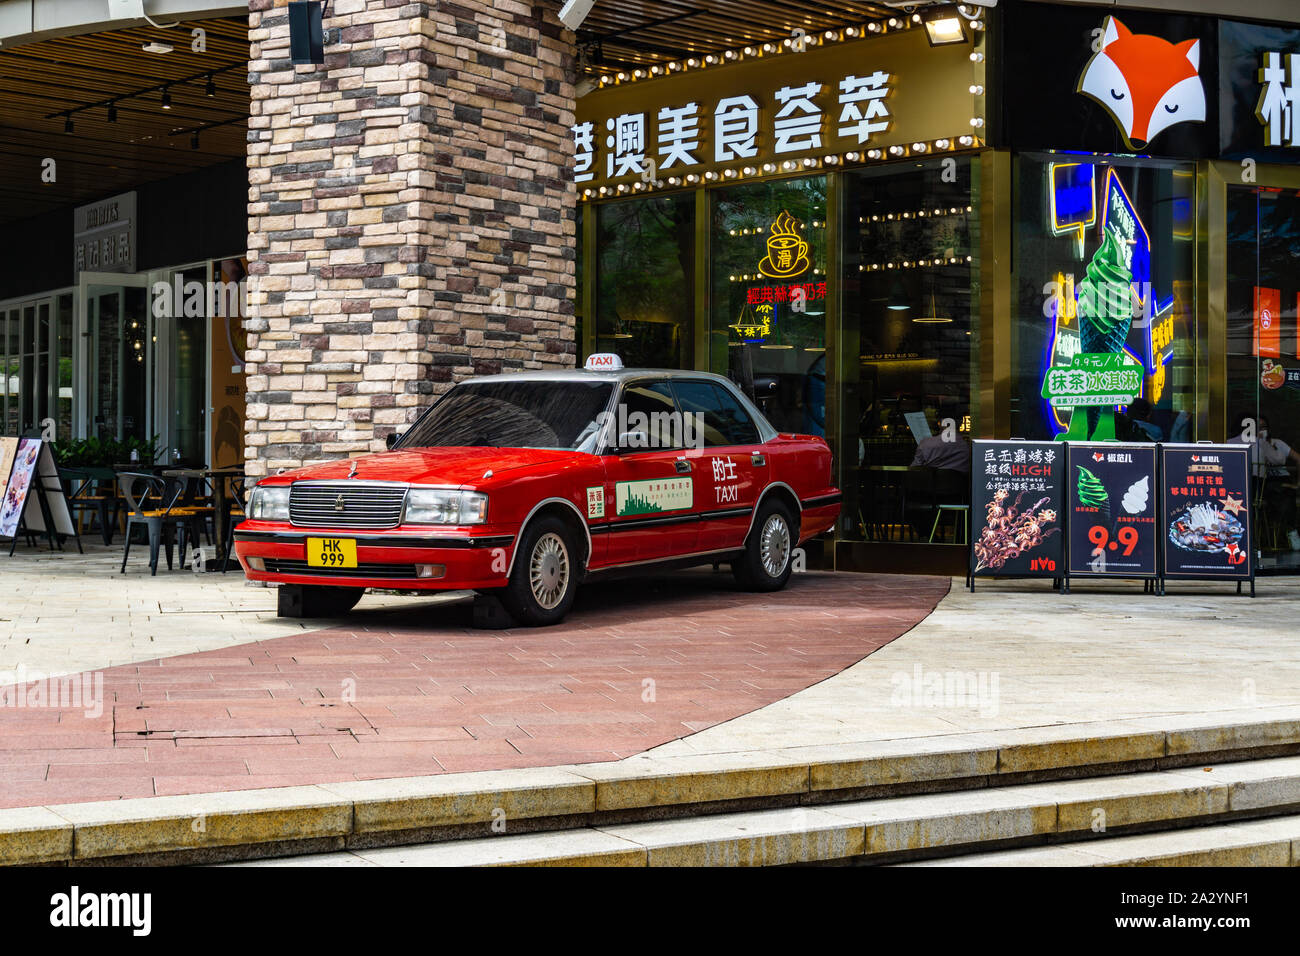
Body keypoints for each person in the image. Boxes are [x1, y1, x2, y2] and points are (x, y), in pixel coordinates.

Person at [1228, 411, 1300, 547]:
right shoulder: (1259, 443)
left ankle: (1283, 533)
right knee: (1272, 499)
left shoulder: (1230, 442)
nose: (1261, 431)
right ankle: (1281, 535)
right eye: (1257, 427)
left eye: (1264, 427)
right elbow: (1279, 459)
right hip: (1259, 486)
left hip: (1243, 487)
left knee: (1280, 497)